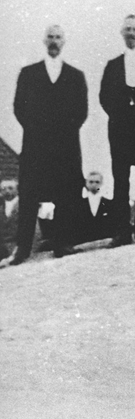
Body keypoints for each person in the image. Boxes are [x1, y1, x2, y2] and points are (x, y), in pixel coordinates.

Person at [9, 25, 88, 264]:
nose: (54, 41)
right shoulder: (29, 73)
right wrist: (38, 130)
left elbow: (81, 111)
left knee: (66, 191)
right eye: (50, 37)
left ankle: (63, 243)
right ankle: (22, 249)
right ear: (44, 41)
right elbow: (19, 108)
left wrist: (63, 132)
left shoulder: (75, 75)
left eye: (58, 37)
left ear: (64, 42)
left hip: (65, 145)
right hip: (36, 144)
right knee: (30, 192)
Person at [99, 14, 135, 245]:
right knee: (120, 180)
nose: (131, 33)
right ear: (122, 34)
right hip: (120, 130)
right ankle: (121, 231)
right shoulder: (113, 65)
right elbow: (104, 97)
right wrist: (120, 113)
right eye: (127, 30)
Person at [75, 170, 114, 244]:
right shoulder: (79, 204)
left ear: (101, 183)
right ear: (86, 183)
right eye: (91, 182)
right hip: (84, 239)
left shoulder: (108, 203)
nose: (94, 184)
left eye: (97, 182)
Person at [0, 178, 18, 263]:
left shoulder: (23, 206)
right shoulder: (1, 206)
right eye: (3, 189)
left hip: (16, 245)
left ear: (17, 190)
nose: (7, 191)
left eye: (10, 188)